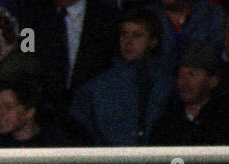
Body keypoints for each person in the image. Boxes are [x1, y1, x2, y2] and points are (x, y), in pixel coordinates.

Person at [69, 7, 174, 146]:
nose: (128, 41)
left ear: (153, 41)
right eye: (124, 34)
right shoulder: (96, 88)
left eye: (137, 35)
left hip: (157, 163)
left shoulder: (168, 83)